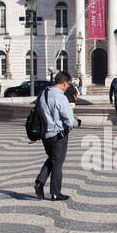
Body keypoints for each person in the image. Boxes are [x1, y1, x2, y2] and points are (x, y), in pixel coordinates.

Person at [33, 71, 78, 201]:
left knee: (52, 158)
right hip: (58, 135)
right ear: (64, 83)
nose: (68, 86)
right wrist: (68, 129)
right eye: (68, 84)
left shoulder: (43, 93)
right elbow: (69, 120)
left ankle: (40, 181)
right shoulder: (60, 97)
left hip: (44, 134)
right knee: (58, 163)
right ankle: (55, 193)